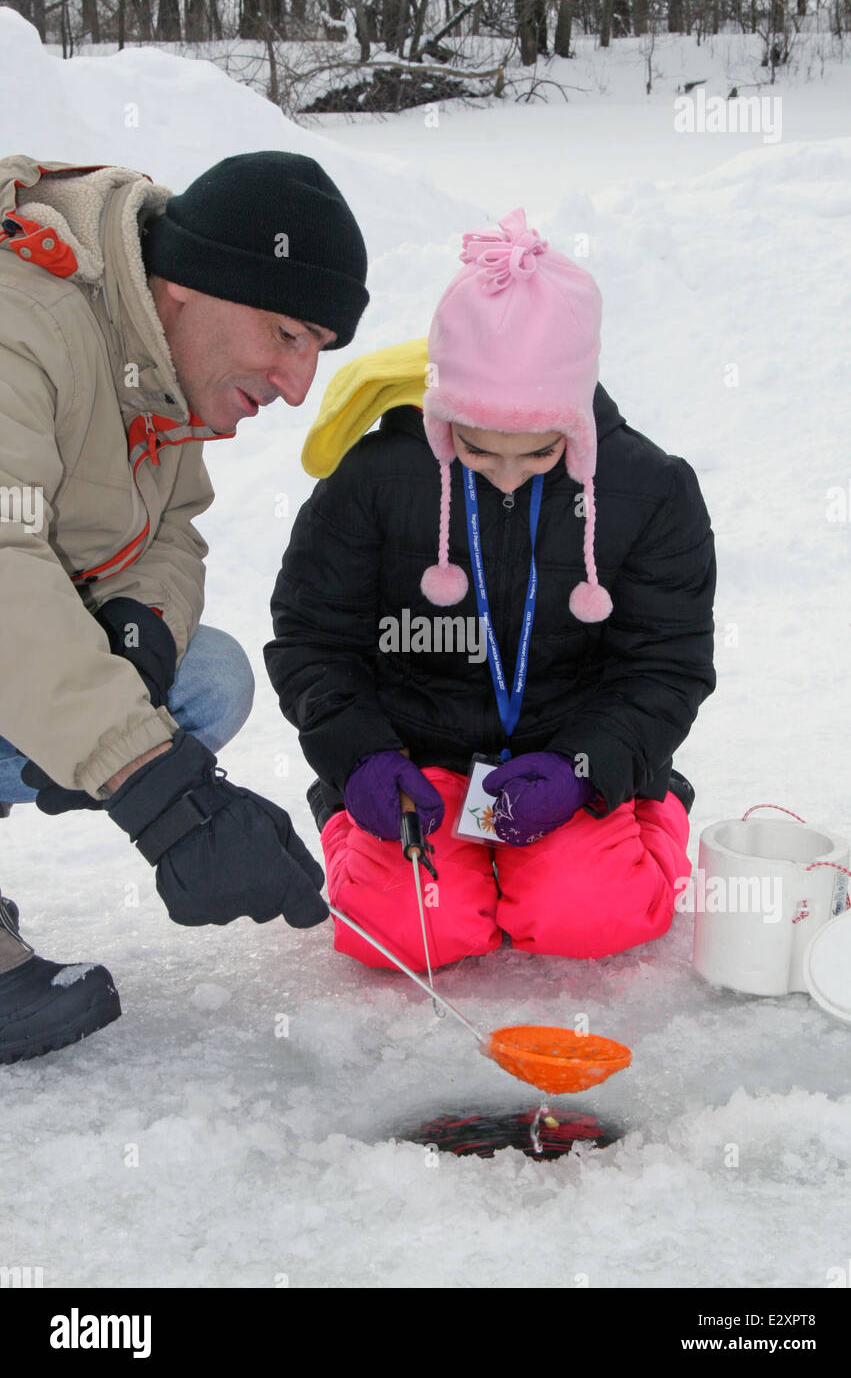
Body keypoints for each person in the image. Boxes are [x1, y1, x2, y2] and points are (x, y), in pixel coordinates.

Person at [264, 208, 716, 972]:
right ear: (443, 416)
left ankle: (649, 809)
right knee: (404, 937)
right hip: (416, 758)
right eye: (475, 448)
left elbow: (666, 665)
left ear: (575, 420)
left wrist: (587, 768)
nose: (506, 473)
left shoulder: (651, 490)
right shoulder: (372, 483)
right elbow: (313, 642)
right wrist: (363, 758)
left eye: (539, 451)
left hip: (565, 760)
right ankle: (352, 824)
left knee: (588, 920)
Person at [0, 150, 369, 1063]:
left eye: (316, 351)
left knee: (202, 680)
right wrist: (158, 791)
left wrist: (140, 636)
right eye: (287, 334)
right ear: (189, 287)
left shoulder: (146, 349)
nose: (297, 387)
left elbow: (173, 527)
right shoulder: (24, 322)